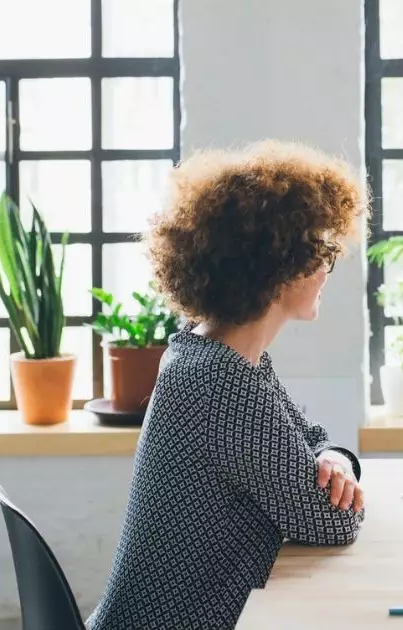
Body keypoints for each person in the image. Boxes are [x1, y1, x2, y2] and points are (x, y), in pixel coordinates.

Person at [87, 141, 370, 630]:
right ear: (277, 267)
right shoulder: (221, 381)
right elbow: (333, 523)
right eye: (320, 251)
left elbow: (313, 439)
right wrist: (330, 473)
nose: (327, 268)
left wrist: (336, 460)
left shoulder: (206, 354)